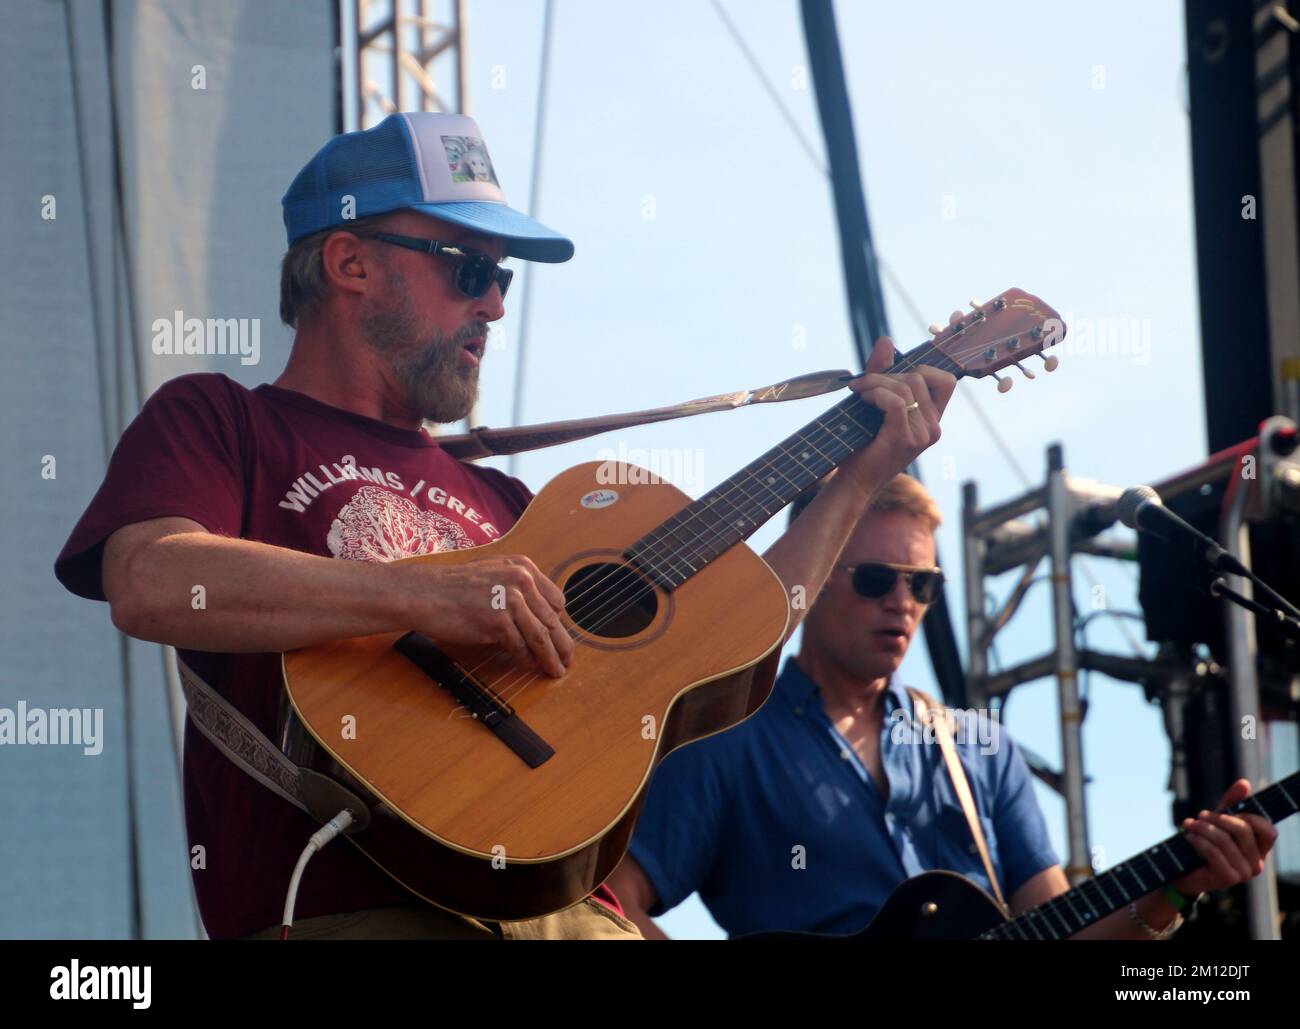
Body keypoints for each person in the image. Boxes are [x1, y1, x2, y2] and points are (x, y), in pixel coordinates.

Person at [53, 111, 956, 939]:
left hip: (574, 916)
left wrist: (856, 476)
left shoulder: (518, 507)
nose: (494, 305)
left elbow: (742, 625)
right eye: (469, 271)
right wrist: (417, 593)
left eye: (502, 280)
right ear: (350, 262)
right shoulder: (221, 421)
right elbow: (153, 578)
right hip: (363, 912)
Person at [610, 473, 1279, 939]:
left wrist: (1172, 890)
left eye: (922, 583)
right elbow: (611, 903)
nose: (902, 602)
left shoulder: (979, 747)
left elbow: (1062, 930)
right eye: (875, 580)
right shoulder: (727, 735)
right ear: (809, 582)